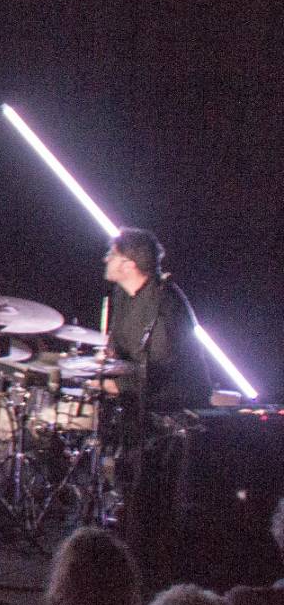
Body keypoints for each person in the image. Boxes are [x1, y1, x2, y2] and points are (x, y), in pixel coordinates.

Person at [96, 228, 212, 584]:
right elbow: (120, 350)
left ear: (129, 264)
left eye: (111, 254)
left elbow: (159, 365)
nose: (105, 259)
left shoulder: (166, 304)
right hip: (139, 397)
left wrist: (115, 383)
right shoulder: (121, 294)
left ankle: (147, 557)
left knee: (148, 481)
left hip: (173, 402)